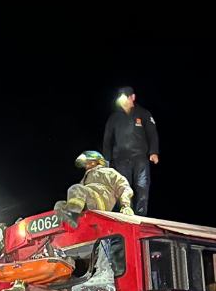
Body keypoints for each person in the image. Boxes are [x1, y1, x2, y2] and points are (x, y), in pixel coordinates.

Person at [102, 86, 159, 215]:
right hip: (120, 159)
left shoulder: (143, 114)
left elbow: (152, 134)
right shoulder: (114, 118)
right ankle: (126, 211)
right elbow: (107, 140)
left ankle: (141, 214)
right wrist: (106, 159)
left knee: (142, 186)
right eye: (120, 99)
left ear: (132, 97)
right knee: (122, 187)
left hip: (140, 157)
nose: (123, 101)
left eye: (125, 98)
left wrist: (153, 152)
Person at [54, 151, 133, 227]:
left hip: (100, 201)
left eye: (88, 163)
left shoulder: (109, 172)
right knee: (60, 205)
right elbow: (77, 194)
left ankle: (73, 215)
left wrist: (125, 205)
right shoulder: (86, 177)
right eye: (85, 164)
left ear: (96, 161)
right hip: (88, 200)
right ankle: (68, 222)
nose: (86, 166)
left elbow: (125, 187)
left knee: (76, 188)